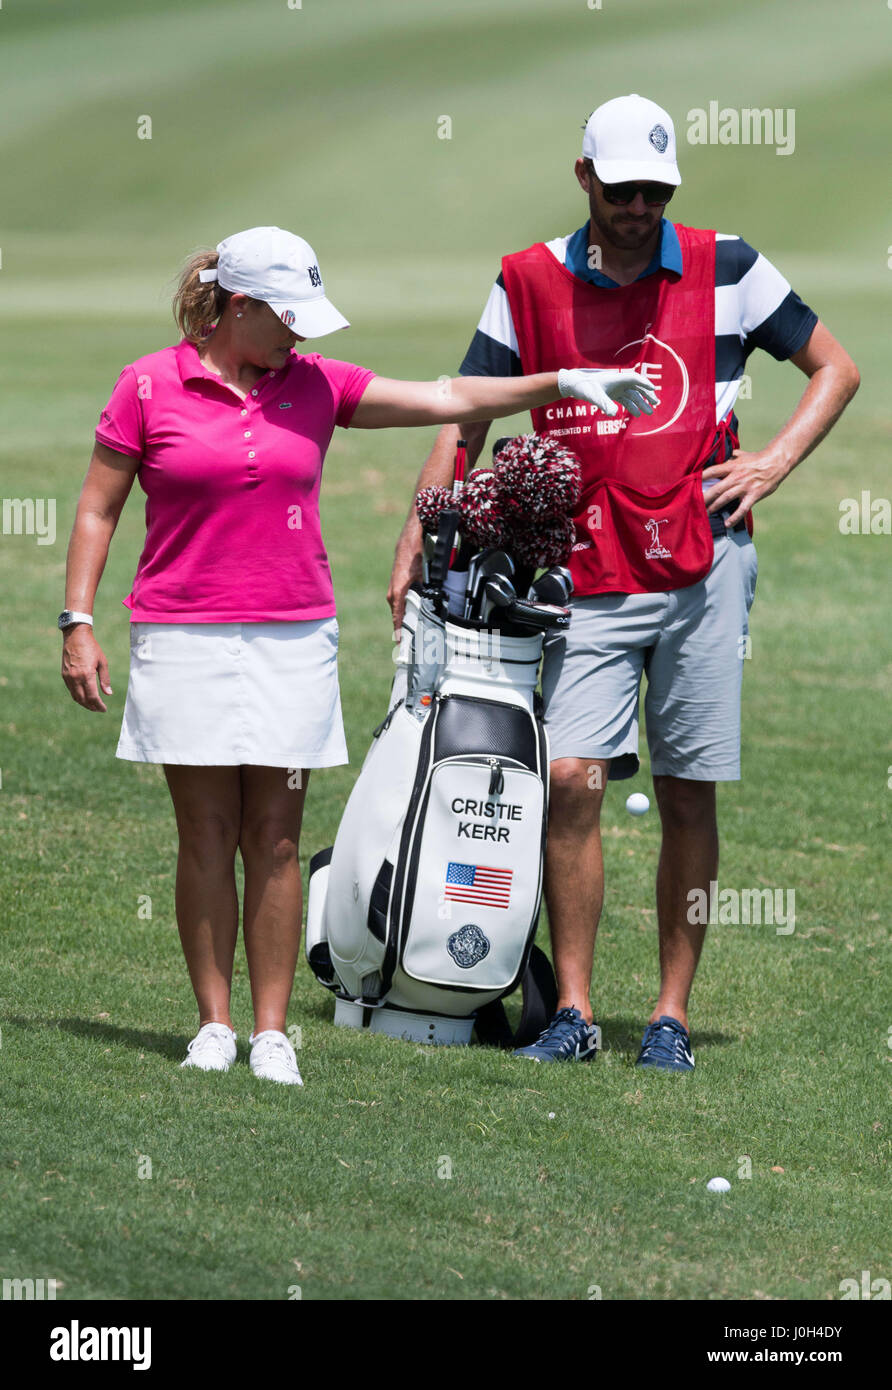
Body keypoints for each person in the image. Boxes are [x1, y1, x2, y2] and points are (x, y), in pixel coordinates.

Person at [60, 224, 654, 1086]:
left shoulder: (318, 386)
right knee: (204, 835)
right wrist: (78, 618)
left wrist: (565, 379)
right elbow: (95, 510)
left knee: (272, 837)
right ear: (239, 306)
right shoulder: (148, 385)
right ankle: (213, 1026)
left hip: (294, 637)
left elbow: (448, 396)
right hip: (180, 634)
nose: (299, 336)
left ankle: (270, 1035)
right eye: (286, 318)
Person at [388, 96, 860, 1070]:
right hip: (583, 568)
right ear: (584, 179)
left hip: (705, 562)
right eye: (621, 190)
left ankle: (671, 1017)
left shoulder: (727, 263)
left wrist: (770, 463)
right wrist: (415, 536)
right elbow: (464, 412)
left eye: (655, 190)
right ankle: (572, 1010)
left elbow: (835, 367)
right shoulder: (524, 280)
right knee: (570, 779)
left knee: (688, 793)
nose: (640, 208)